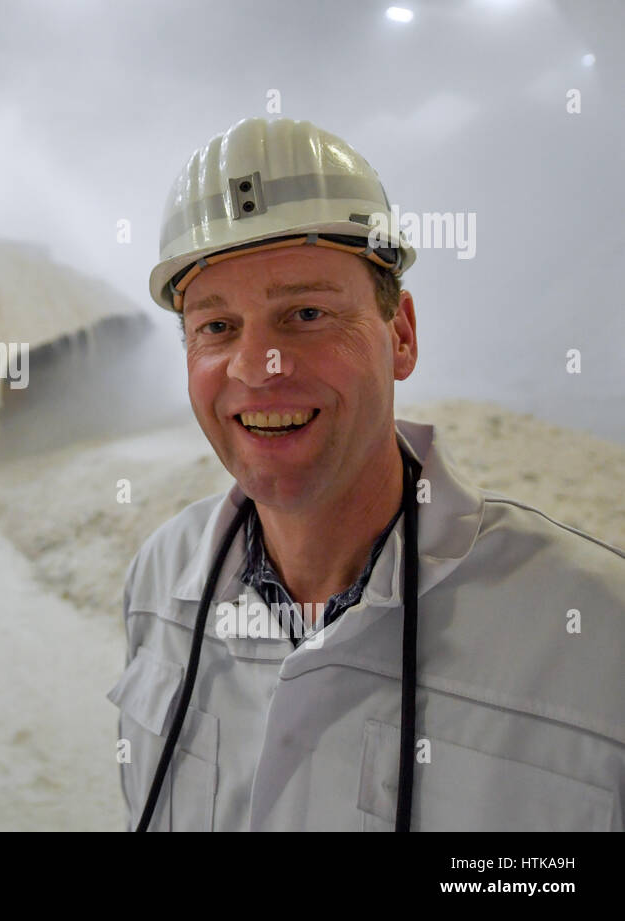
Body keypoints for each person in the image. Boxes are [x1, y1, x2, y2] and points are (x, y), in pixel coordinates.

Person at [109, 116, 625, 831]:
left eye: (308, 313)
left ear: (402, 335)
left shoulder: (595, 633)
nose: (259, 368)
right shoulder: (158, 581)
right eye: (217, 327)